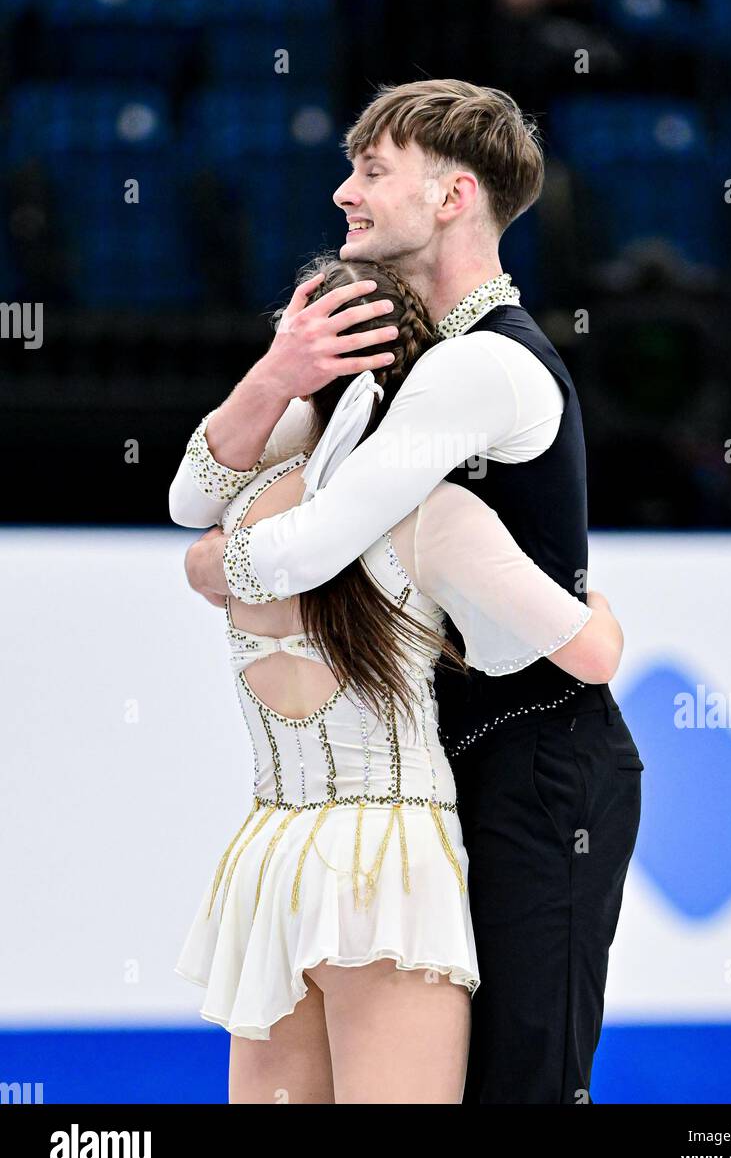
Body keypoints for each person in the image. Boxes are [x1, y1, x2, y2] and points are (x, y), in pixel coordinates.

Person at [179, 78, 643, 1104]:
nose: (343, 191)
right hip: (451, 762)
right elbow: (192, 494)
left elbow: (312, 548)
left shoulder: (476, 367)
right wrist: (270, 381)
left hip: (541, 762)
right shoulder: (400, 369)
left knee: (521, 1087)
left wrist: (214, 566)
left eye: (371, 170)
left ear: (451, 196)